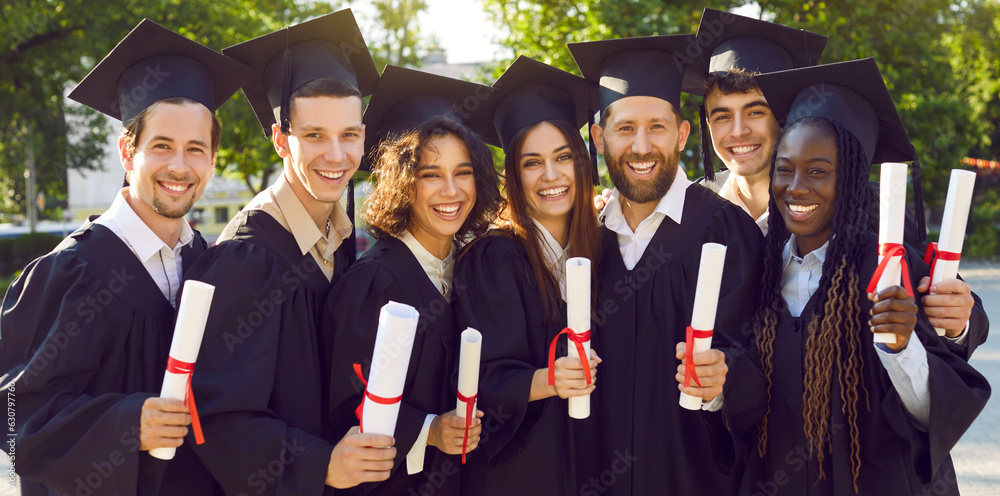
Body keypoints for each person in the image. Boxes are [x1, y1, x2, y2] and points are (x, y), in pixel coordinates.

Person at [0, 20, 251, 495]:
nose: (179, 166)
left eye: (195, 149)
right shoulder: (70, 272)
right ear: (126, 151)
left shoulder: (209, 264)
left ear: (212, 160)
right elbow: (13, 417)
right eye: (161, 146)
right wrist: (125, 424)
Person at [731, 57, 990, 495]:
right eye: (784, 168)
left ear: (851, 181)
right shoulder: (759, 271)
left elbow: (934, 414)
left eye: (818, 171)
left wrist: (902, 348)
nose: (796, 187)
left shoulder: (893, 271)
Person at [687, 8, 989, 359]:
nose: (737, 131)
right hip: (719, 408)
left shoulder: (866, 206)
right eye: (721, 116)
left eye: (756, 111)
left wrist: (956, 323)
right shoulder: (694, 208)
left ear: (786, 120)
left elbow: (945, 302)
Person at [180, 10, 393, 494]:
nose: (337, 156)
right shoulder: (246, 259)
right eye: (314, 136)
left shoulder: (335, 242)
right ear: (280, 139)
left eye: (350, 135)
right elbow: (220, 418)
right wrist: (321, 465)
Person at [568, 35, 765, 495]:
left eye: (657, 127)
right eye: (624, 128)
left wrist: (725, 377)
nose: (641, 146)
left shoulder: (728, 231)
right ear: (599, 138)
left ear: (681, 134)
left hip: (696, 478)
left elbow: (764, 357)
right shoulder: (584, 238)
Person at [324, 66, 502, 495]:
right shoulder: (374, 283)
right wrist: (430, 429)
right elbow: (345, 406)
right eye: (430, 175)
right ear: (404, 183)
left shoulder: (473, 268)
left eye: (463, 172)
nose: (451, 190)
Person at [451, 56, 603, 496]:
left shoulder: (604, 246)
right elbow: (484, 379)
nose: (552, 176)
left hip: (591, 459)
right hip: (520, 471)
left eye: (563, 157)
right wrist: (552, 379)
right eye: (532, 163)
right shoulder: (493, 257)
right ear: (512, 175)